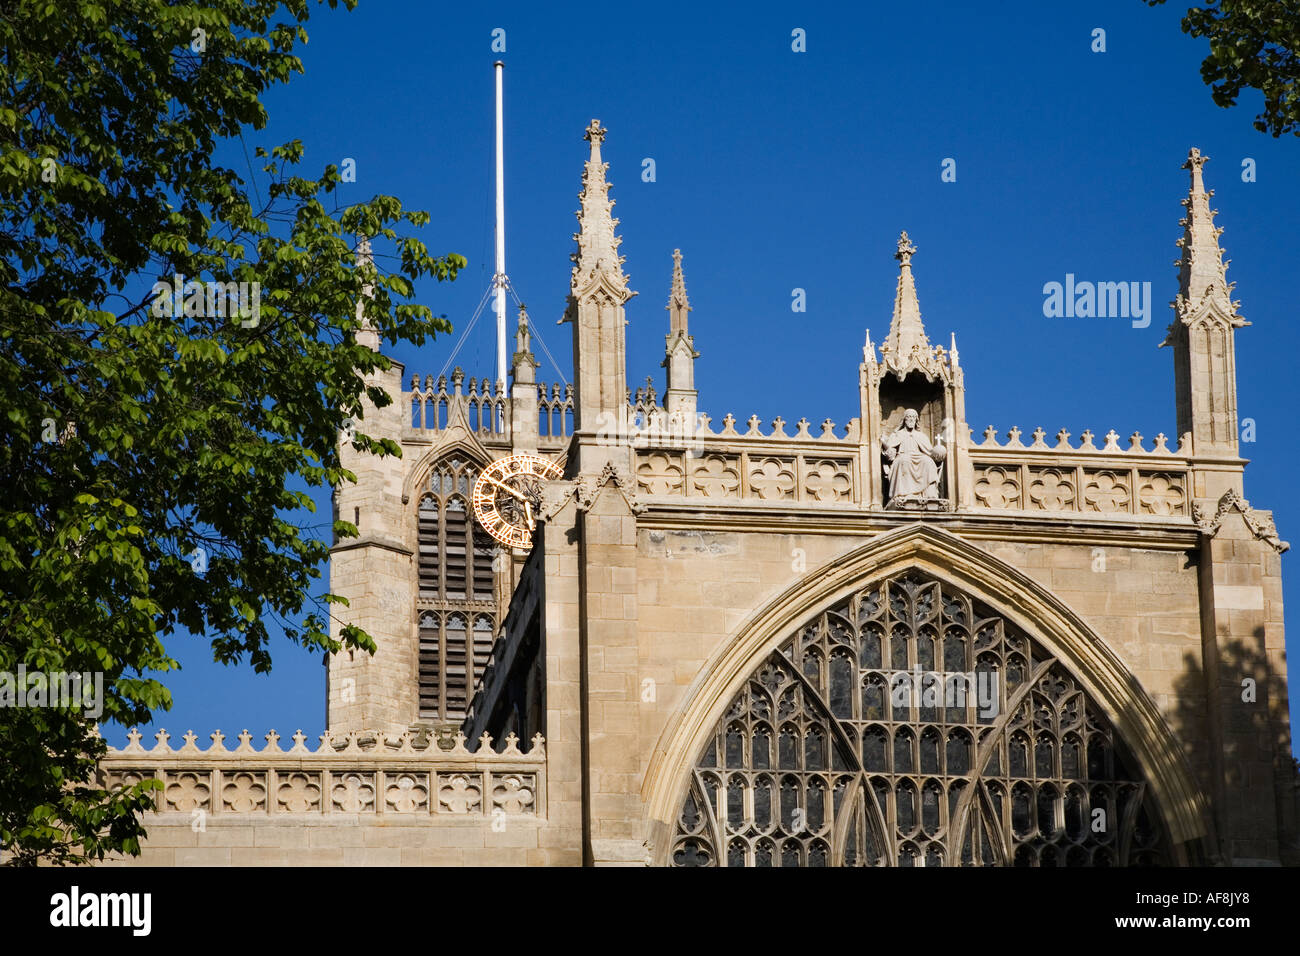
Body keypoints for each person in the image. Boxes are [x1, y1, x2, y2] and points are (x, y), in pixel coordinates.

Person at [882, 408, 946, 500]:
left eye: (913, 417)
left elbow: (930, 452)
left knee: (928, 462)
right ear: (904, 420)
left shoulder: (921, 436)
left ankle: (929, 493)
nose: (911, 419)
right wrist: (885, 445)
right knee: (904, 461)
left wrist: (939, 452)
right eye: (909, 417)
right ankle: (904, 494)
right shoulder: (897, 434)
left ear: (916, 420)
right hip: (903, 456)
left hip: (919, 456)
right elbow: (890, 454)